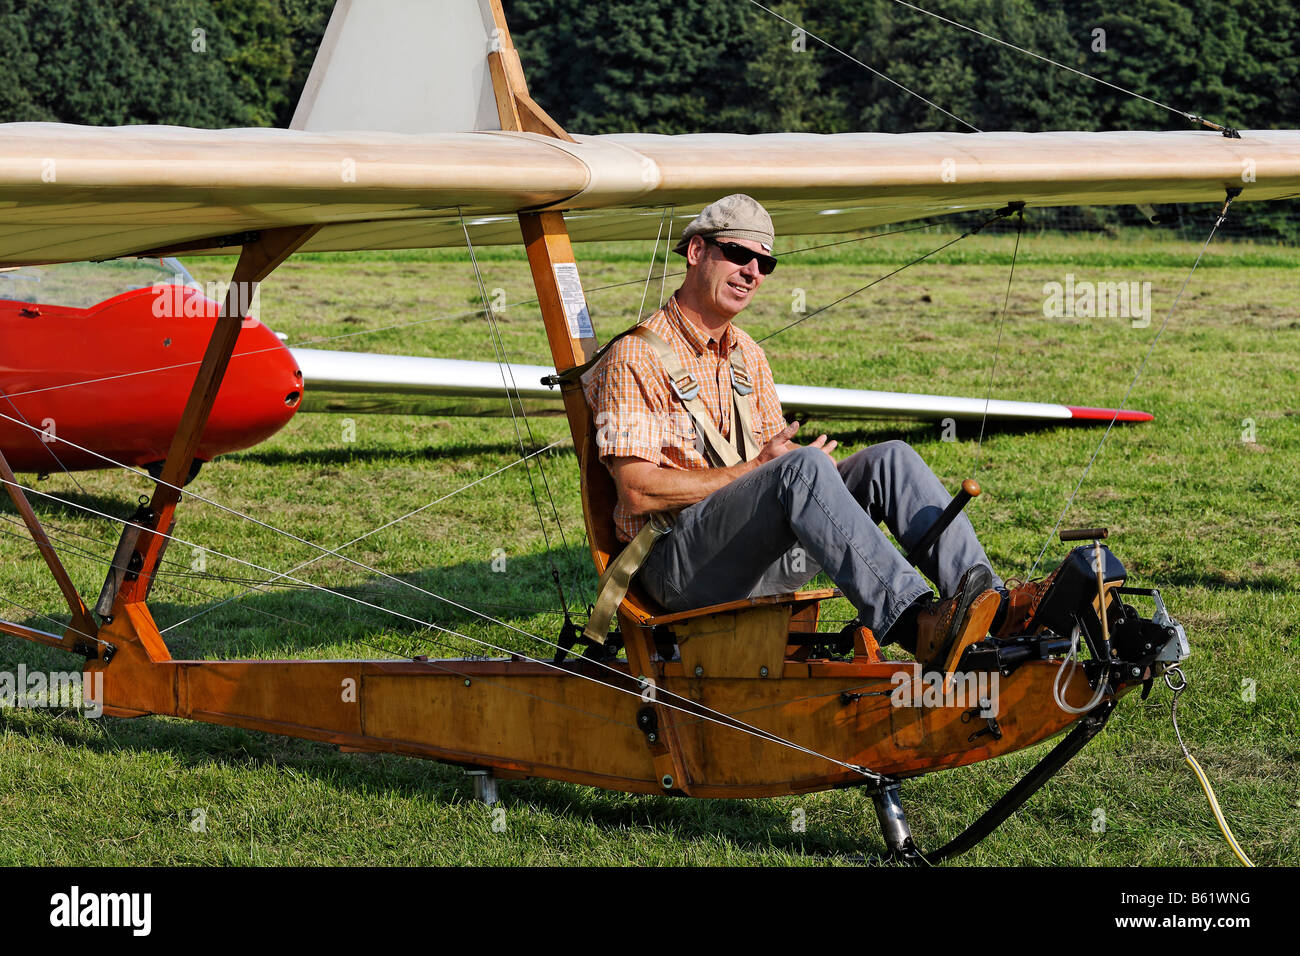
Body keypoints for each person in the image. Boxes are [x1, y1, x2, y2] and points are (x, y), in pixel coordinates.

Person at [582, 194, 1019, 675]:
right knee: (802, 470)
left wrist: (808, 472)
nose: (752, 271)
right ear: (696, 252)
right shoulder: (634, 357)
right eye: (738, 254)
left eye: (764, 262)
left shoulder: (747, 353)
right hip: (674, 570)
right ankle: (917, 626)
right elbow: (638, 492)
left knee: (889, 460)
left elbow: (776, 461)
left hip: (751, 554)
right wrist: (764, 470)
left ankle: (995, 611)